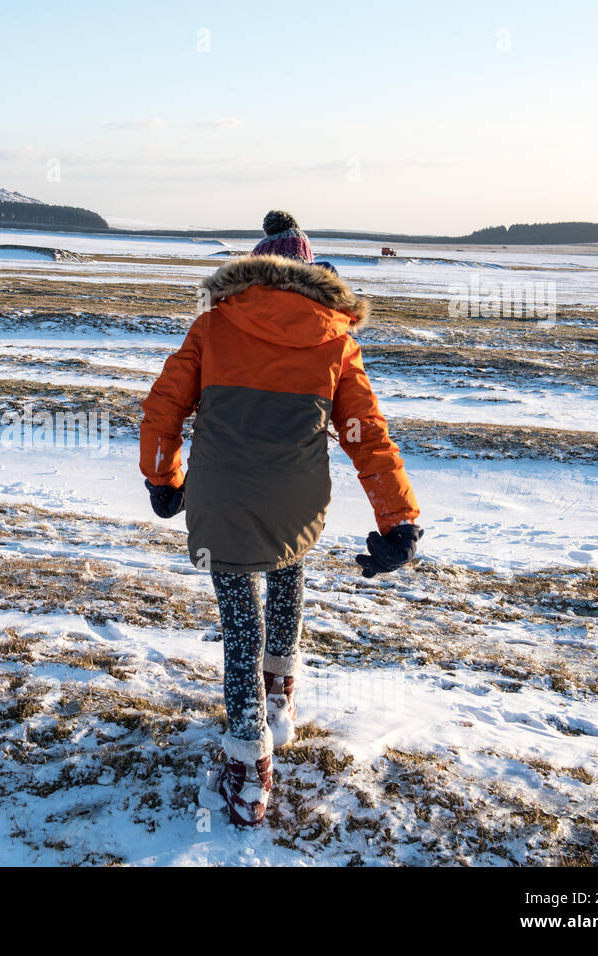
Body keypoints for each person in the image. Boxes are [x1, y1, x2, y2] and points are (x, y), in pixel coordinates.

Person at [140, 210, 422, 827]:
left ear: (254, 269)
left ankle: (248, 769)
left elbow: (164, 410)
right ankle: (279, 698)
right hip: (298, 498)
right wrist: (397, 517)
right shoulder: (336, 339)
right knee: (289, 573)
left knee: (239, 616)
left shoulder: (214, 326)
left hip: (220, 497)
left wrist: (164, 478)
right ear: (311, 272)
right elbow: (365, 434)